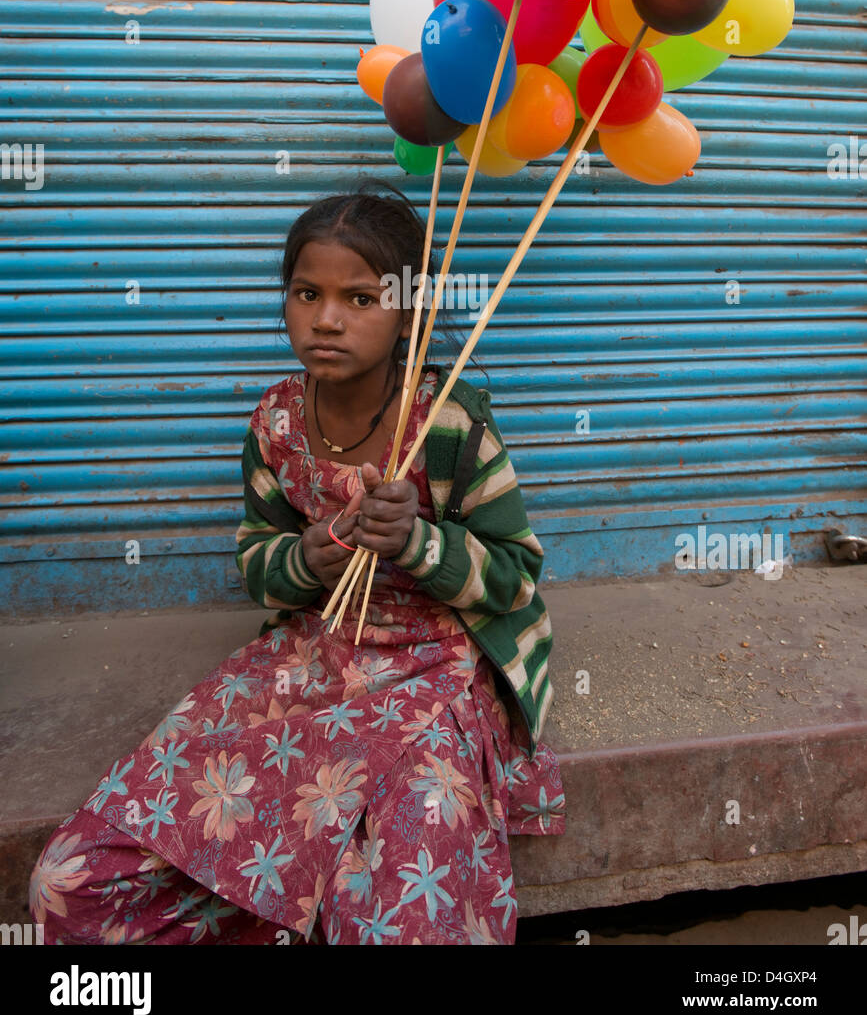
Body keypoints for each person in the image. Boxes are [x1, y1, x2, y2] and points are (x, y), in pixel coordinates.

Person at [30, 182, 565, 946]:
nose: (326, 318)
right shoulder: (275, 420)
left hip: (435, 662)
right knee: (71, 878)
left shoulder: (446, 424)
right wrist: (305, 558)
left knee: (399, 903)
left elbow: (515, 573)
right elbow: (258, 561)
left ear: (407, 311)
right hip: (314, 651)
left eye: (360, 297)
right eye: (306, 292)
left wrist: (422, 544)